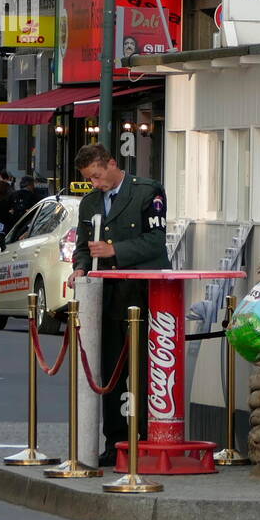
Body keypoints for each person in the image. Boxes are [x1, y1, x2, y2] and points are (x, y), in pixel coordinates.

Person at [70, 144, 170, 467]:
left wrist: (114, 250)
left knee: (140, 370)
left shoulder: (146, 193)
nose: (96, 184)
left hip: (140, 294)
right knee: (110, 372)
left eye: (97, 176)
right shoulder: (89, 203)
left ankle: (140, 438)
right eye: (90, 180)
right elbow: (83, 246)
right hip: (107, 296)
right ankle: (114, 442)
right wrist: (80, 267)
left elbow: (155, 242)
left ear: (112, 164)